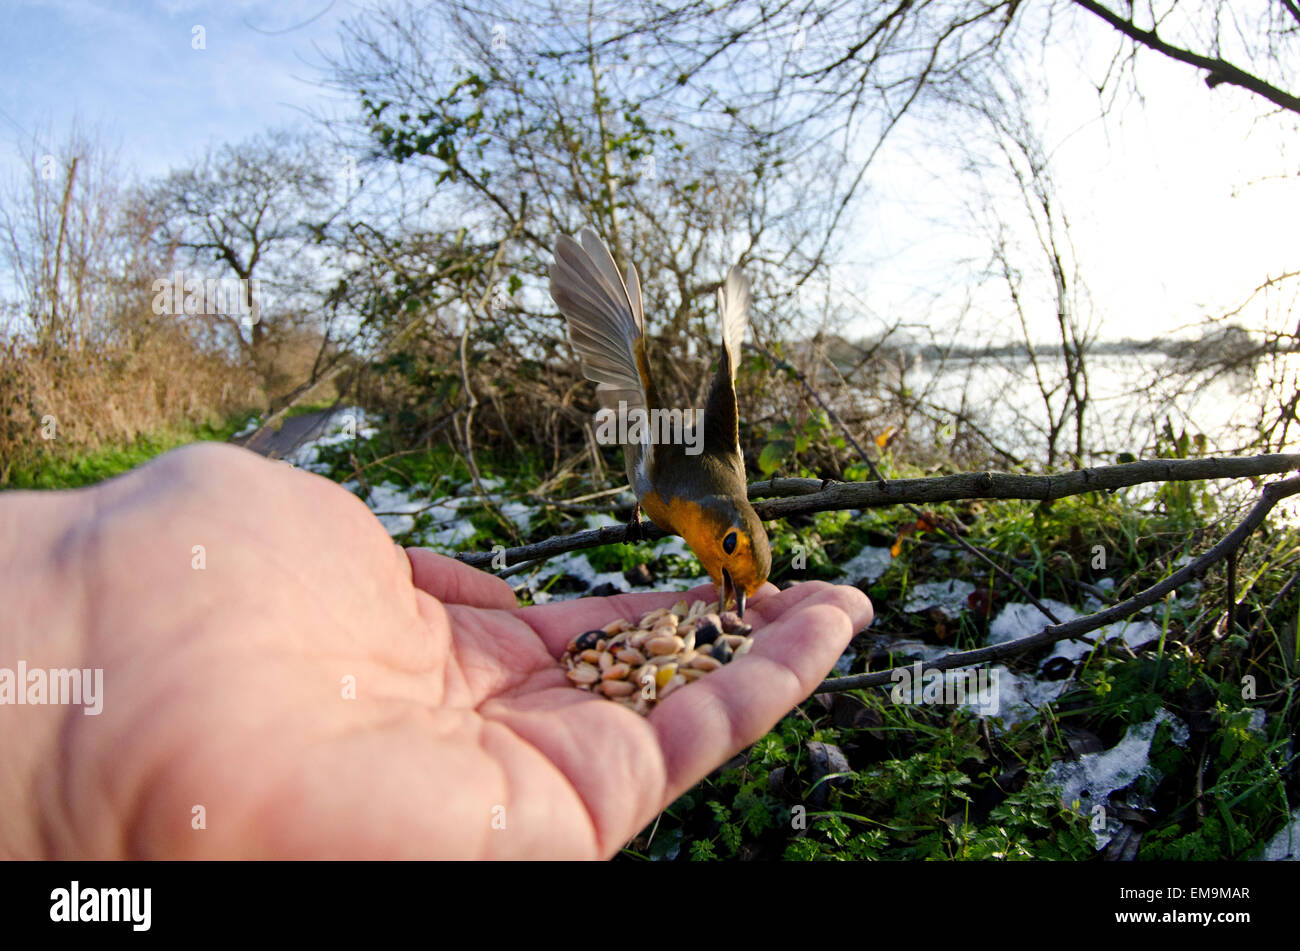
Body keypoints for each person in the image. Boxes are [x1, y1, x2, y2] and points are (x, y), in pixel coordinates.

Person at [0, 442, 872, 859]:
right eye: (730, 567)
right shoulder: (692, 485)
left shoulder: (717, 541)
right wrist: (91, 609)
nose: (726, 595)